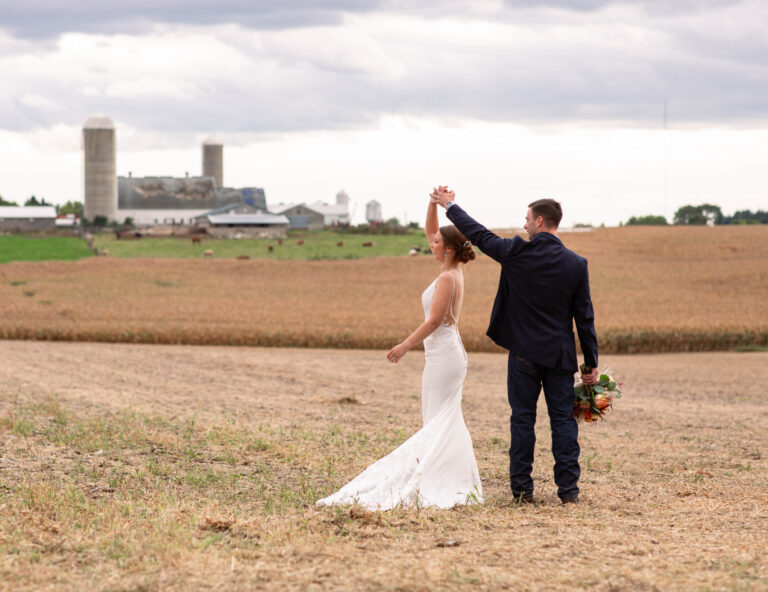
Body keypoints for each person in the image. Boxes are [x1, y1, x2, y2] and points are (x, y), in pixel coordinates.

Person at [431, 186, 599, 505]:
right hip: (560, 356)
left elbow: (478, 234)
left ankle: (522, 490)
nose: (524, 226)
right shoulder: (577, 264)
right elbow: (585, 318)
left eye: (526, 220)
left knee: (522, 419)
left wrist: (449, 206)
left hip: (523, 353)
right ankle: (569, 491)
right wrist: (590, 364)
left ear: (539, 220)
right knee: (563, 422)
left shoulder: (516, 252)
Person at [316, 198, 483, 510]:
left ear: (447, 249)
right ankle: (444, 474)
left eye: (437, 244)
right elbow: (432, 230)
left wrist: (405, 345)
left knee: (439, 420)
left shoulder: (448, 277)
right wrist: (434, 203)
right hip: (443, 356)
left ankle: (443, 480)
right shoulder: (451, 267)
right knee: (438, 419)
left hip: (444, 356)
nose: (431, 245)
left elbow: (434, 321)